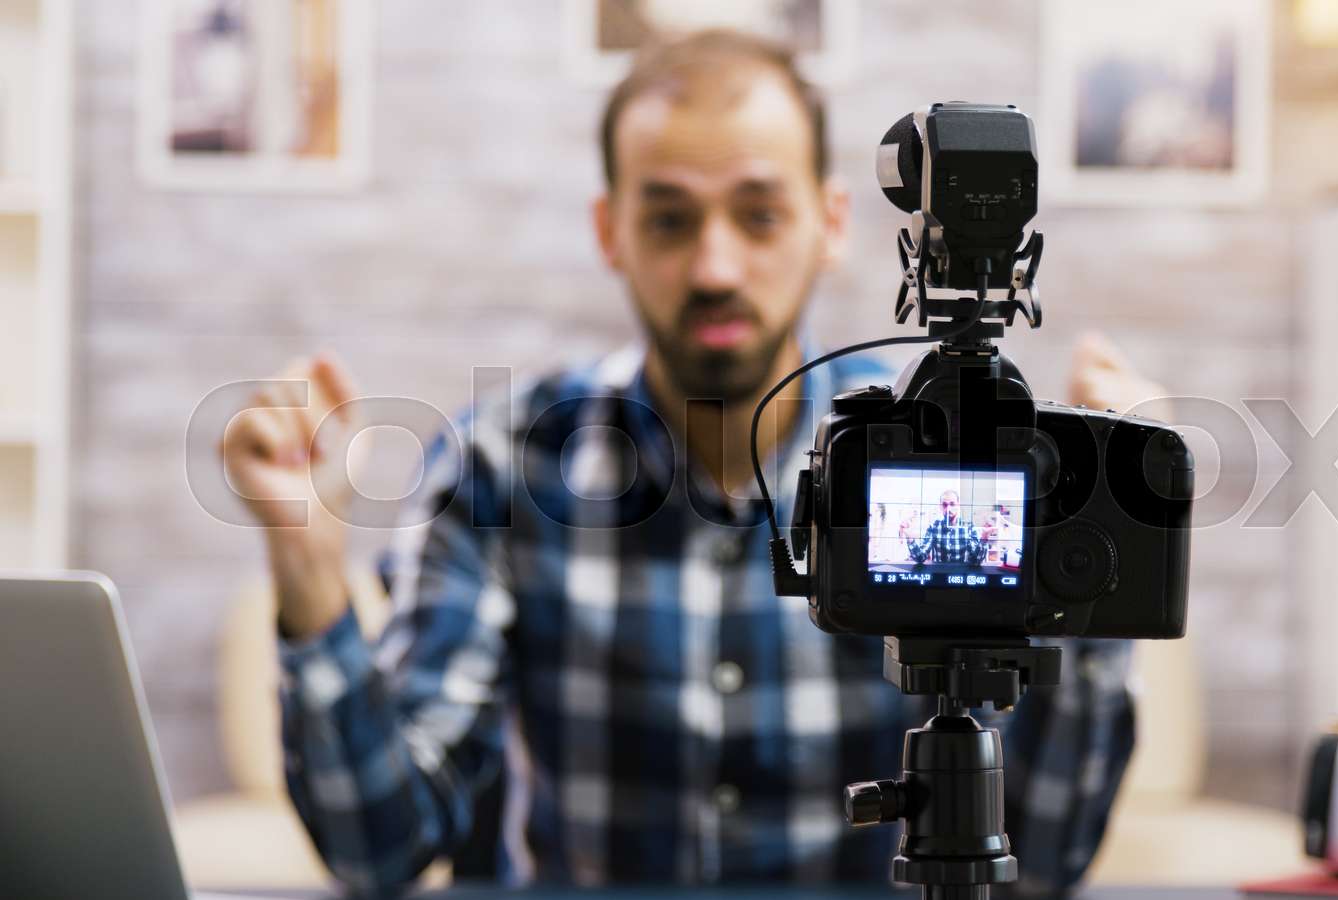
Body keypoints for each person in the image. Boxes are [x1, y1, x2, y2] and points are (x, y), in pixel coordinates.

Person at [219, 30, 1168, 897]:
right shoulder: (502, 465)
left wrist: (1108, 554)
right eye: (671, 220)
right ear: (611, 232)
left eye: (759, 215)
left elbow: (1042, 861)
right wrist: (308, 565)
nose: (716, 267)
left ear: (832, 223)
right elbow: (379, 852)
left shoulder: (957, 465)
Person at [901, 490, 990, 565]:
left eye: (952, 504)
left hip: (962, 577)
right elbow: (920, 558)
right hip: (938, 577)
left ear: (958, 505)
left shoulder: (968, 527)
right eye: (944, 505)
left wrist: (984, 537)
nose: (948, 509)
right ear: (940, 506)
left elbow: (976, 560)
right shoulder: (934, 527)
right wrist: (910, 537)